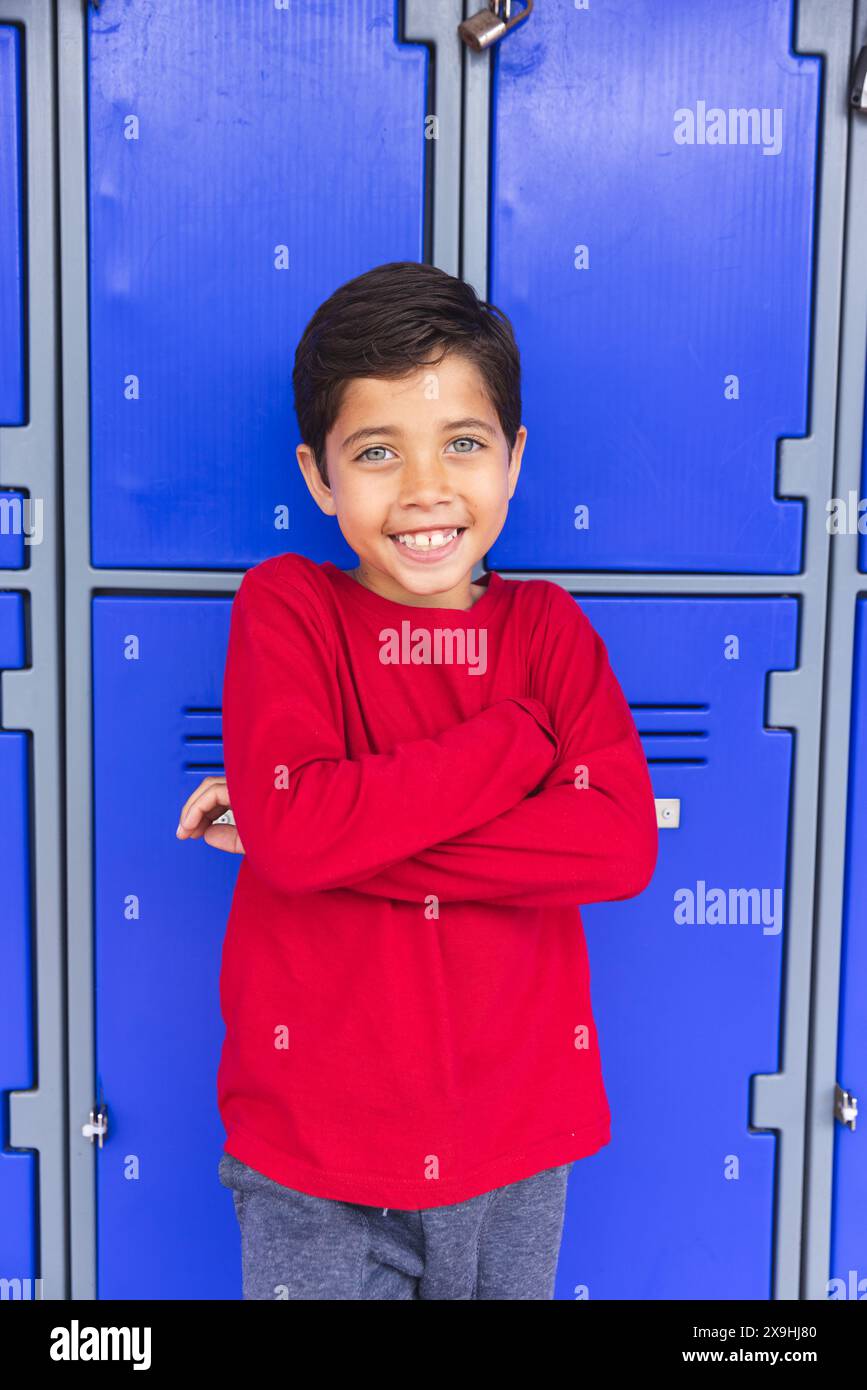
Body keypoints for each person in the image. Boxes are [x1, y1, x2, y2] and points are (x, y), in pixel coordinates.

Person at [176, 261, 659, 1299]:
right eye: (377, 451)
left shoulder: (549, 632)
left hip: (516, 1145)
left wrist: (315, 830)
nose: (427, 489)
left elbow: (617, 846)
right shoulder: (286, 607)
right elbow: (302, 837)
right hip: (316, 1160)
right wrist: (512, 747)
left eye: (464, 444)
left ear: (515, 458)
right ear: (318, 476)